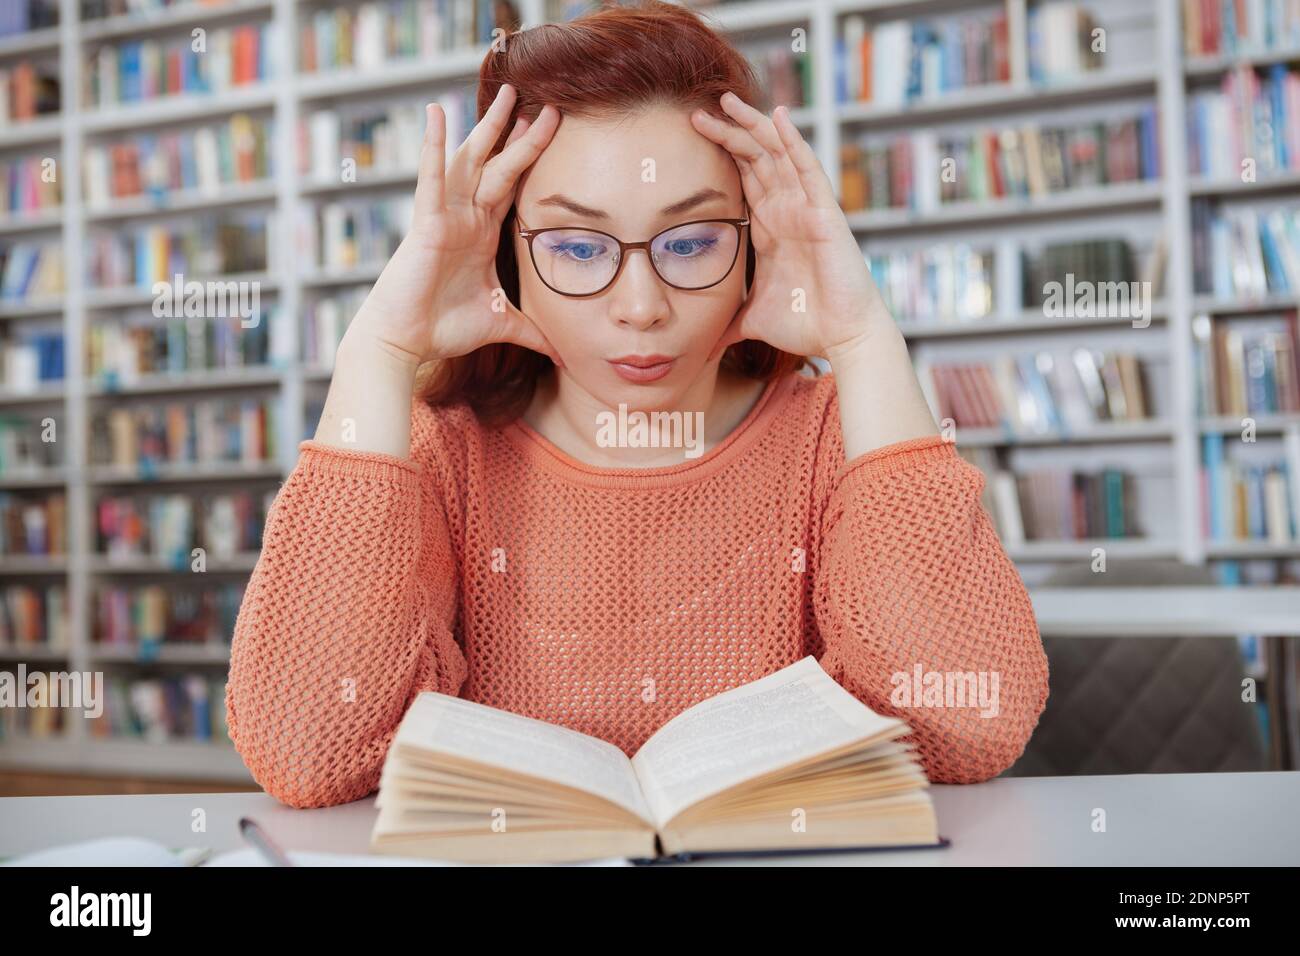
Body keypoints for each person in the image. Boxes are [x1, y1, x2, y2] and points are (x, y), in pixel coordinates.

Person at [226, 0, 1049, 809]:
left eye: (690, 242)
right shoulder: (441, 457)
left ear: (755, 237)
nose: (641, 305)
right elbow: (307, 754)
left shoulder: (837, 438)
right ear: (503, 254)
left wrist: (865, 337)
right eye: (577, 247)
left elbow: (967, 731)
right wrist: (378, 349)